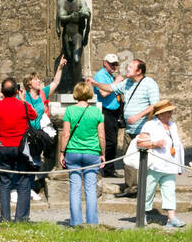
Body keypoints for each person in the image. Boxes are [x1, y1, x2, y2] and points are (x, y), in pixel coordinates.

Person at [0, 76, 38, 222]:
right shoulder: (23, 105)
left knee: (5, 182)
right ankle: (21, 217)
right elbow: (34, 115)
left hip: (4, 146)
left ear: (3, 91)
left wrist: (2, 93)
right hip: (21, 147)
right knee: (24, 180)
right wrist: (22, 99)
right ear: (17, 90)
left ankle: (5, 217)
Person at [61, 81, 104, 227]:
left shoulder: (70, 111)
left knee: (75, 188)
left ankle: (76, 222)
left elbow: (66, 134)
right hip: (92, 152)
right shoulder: (96, 112)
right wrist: (102, 153)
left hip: (73, 152)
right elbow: (101, 136)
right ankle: (92, 223)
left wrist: (62, 152)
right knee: (91, 189)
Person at [136, 99, 185, 228]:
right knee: (148, 192)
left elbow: (178, 145)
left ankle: (171, 218)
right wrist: (154, 144)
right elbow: (140, 143)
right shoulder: (150, 125)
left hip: (170, 166)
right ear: (159, 114)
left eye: (170, 111)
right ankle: (142, 216)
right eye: (168, 112)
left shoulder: (172, 125)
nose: (170, 114)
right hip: (155, 165)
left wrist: (180, 166)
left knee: (170, 192)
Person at [117, 59, 160, 197]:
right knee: (128, 159)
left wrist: (138, 116)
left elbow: (155, 105)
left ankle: (145, 190)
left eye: (130, 67)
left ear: (139, 71)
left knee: (144, 160)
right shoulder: (127, 83)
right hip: (129, 129)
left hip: (143, 129)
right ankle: (131, 189)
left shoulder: (150, 84)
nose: (127, 68)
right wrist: (94, 83)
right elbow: (111, 88)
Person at [23, 62, 65, 200]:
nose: (39, 80)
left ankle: (30, 187)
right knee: (29, 161)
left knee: (36, 160)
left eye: (38, 78)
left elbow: (56, 82)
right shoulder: (24, 97)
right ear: (29, 83)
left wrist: (59, 67)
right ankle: (27, 188)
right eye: (35, 79)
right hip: (28, 133)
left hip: (40, 134)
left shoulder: (42, 94)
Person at [90, 53, 123, 177]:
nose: (114, 66)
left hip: (114, 112)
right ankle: (106, 169)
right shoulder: (100, 75)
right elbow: (103, 93)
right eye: (111, 64)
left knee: (112, 141)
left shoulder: (109, 76)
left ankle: (108, 168)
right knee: (110, 141)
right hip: (105, 110)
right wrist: (116, 82)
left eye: (115, 64)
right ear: (105, 63)